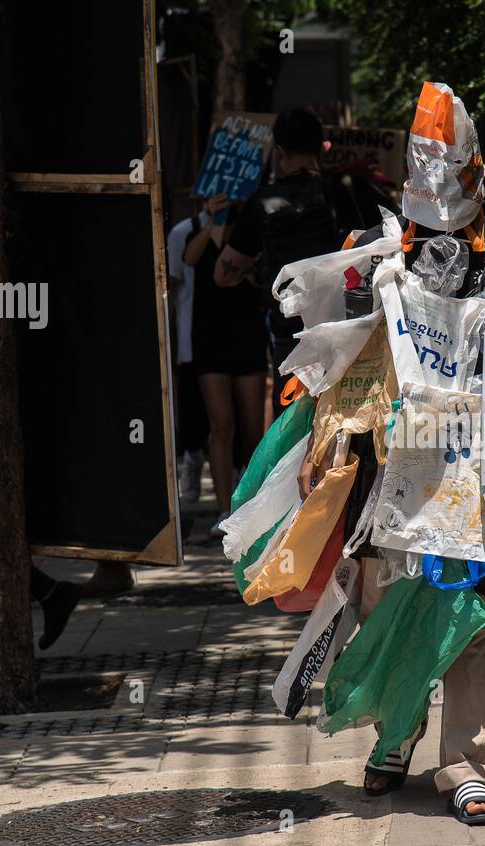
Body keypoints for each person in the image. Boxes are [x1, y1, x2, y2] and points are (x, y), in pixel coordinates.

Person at [306, 85, 485, 824]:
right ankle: (396, 733)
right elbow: (349, 369)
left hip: (480, 462)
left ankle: (464, 761)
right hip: (393, 467)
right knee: (386, 599)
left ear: (476, 175)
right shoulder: (376, 255)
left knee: (474, 603)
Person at [212, 107, 386, 416]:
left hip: (292, 343)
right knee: (347, 434)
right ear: (322, 147)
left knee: (294, 444)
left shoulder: (261, 202)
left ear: (279, 151)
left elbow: (222, 275)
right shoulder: (349, 186)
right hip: (352, 337)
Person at [186, 194, 268, 539]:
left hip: (247, 337)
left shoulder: (255, 233)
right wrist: (210, 223)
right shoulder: (198, 232)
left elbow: (266, 281)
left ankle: (250, 507)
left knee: (252, 430)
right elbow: (188, 259)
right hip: (210, 340)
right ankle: (223, 510)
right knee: (221, 425)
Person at [166, 208, 209, 505]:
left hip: (229, 335)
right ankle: (191, 463)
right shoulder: (183, 232)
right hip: (190, 336)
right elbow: (172, 285)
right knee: (192, 409)